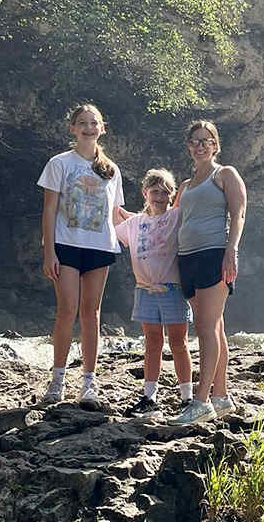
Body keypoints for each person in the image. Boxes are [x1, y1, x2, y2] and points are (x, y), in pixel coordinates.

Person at [38, 103, 124, 409]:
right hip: (67, 245)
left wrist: (151, 229)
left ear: (102, 128)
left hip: (101, 247)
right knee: (67, 310)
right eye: (83, 123)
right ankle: (57, 381)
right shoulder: (59, 163)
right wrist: (49, 252)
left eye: (94, 123)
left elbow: (116, 215)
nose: (89, 127)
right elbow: (49, 209)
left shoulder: (111, 169)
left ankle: (88, 383)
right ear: (73, 128)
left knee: (92, 313)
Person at [170, 119, 247, 424]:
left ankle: (200, 401)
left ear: (216, 145)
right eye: (195, 141)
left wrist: (232, 251)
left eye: (207, 140)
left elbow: (239, 213)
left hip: (214, 255)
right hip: (186, 258)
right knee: (215, 328)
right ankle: (221, 395)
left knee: (204, 325)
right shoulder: (186, 186)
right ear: (189, 147)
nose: (201, 145)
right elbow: (169, 221)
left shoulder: (224, 174)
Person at [114, 168, 194, 420]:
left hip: (172, 289)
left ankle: (187, 398)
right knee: (151, 342)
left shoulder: (176, 216)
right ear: (145, 193)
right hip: (144, 290)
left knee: (179, 343)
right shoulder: (135, 223)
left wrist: (182, 185)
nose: (159, 196)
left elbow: (187, 188)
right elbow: (113, 216)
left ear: (171, 195)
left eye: (164, 192)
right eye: (154, 191)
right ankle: (149, 398)